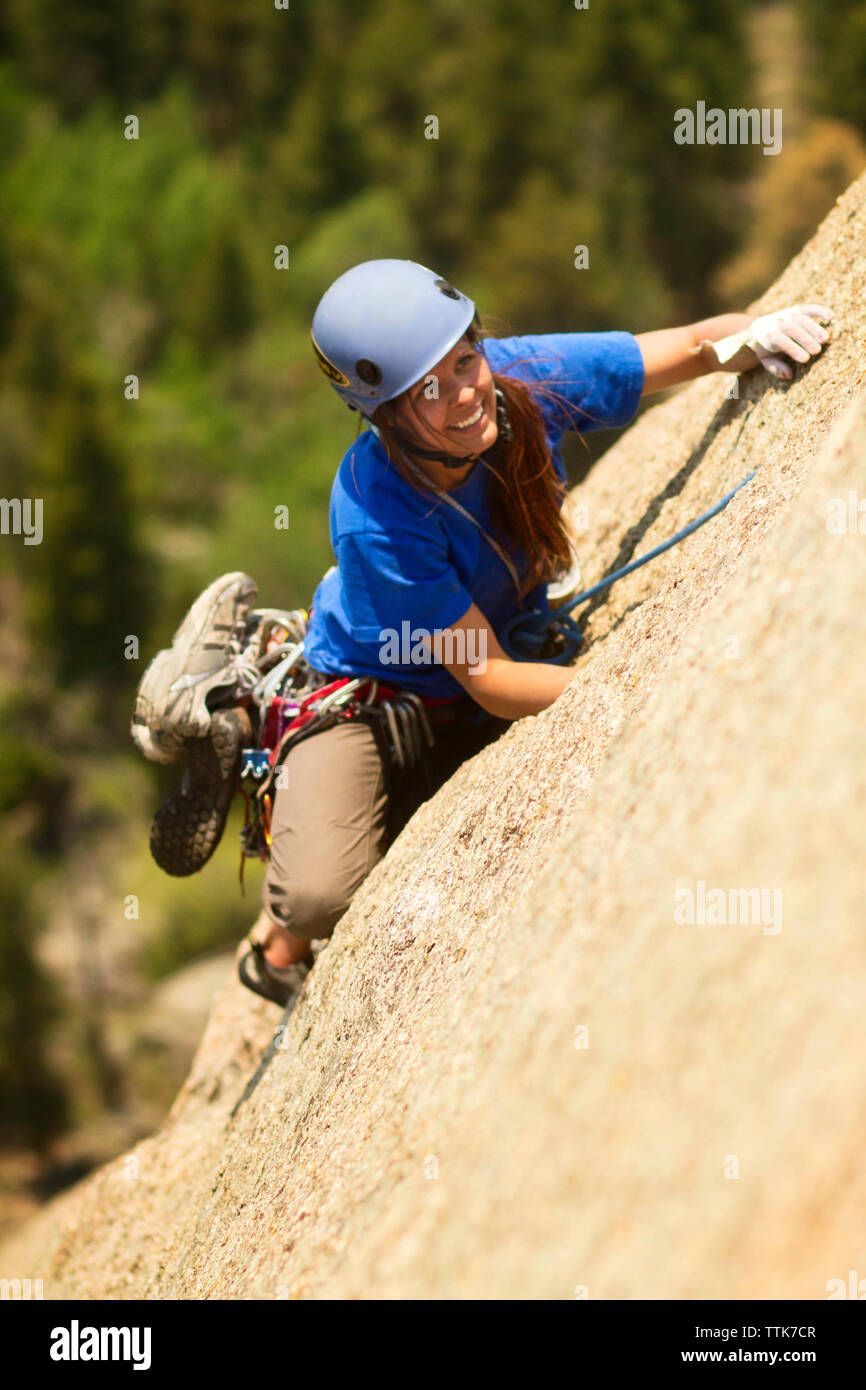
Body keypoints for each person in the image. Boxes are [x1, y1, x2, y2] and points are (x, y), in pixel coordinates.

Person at [173, 259, 833, 1006]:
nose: (463, 393)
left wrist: (751, 337)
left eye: (464, 358)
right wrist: (643, 681)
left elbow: (684, 347)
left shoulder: (517, 381)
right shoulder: (376, 516)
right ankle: (266, 890)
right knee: (323, 895)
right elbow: (488, 677)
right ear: (382, 413)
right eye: (427, 388)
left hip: (484, 653)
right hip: (370, 686)